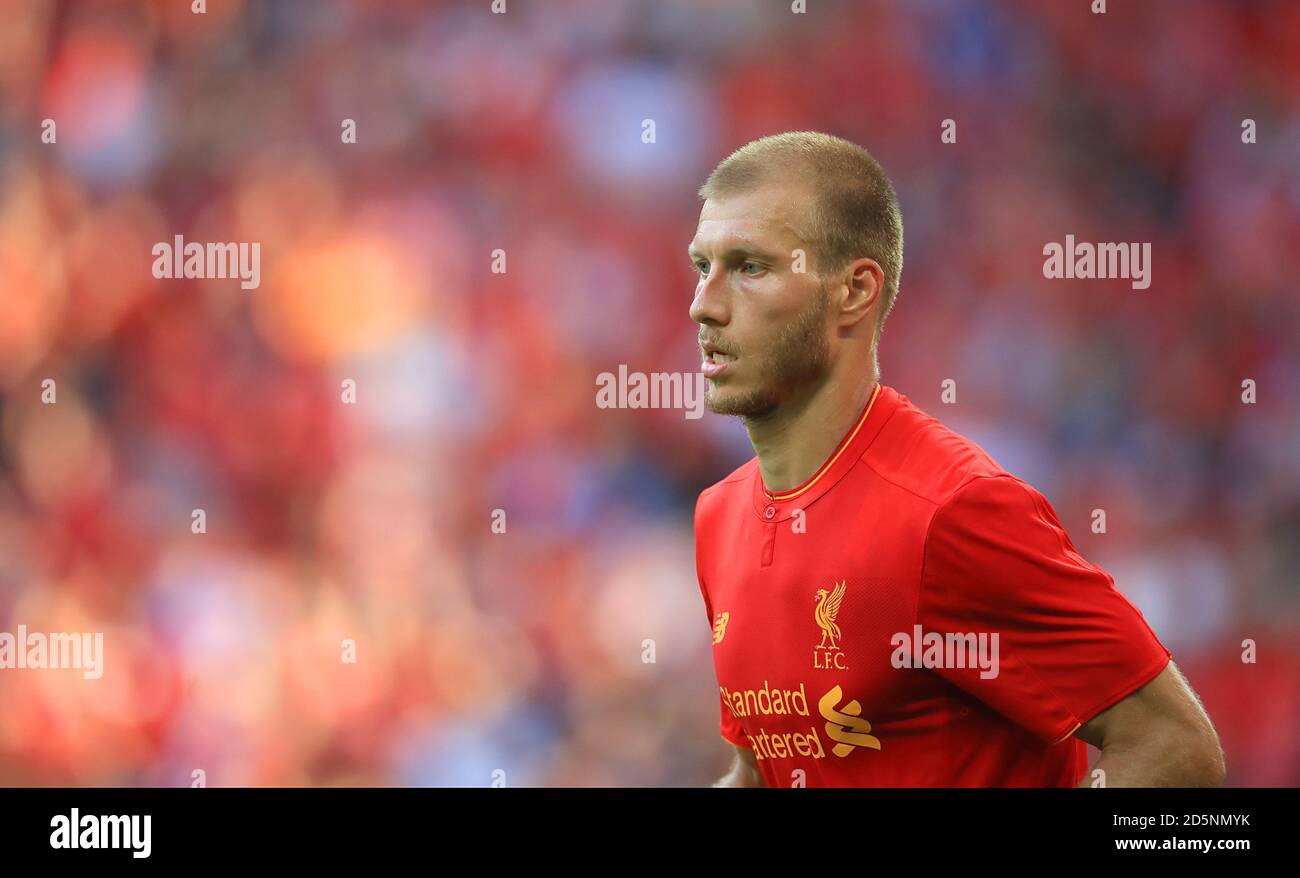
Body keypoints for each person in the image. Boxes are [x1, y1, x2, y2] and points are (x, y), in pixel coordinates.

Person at [689, 131, 1224, 787]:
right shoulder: (720, 518)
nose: (704, 305)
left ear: (854, 292)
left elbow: (1175, 747)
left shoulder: (950, 513)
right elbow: (764, 772)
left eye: (750, 267)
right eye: (702, 267)